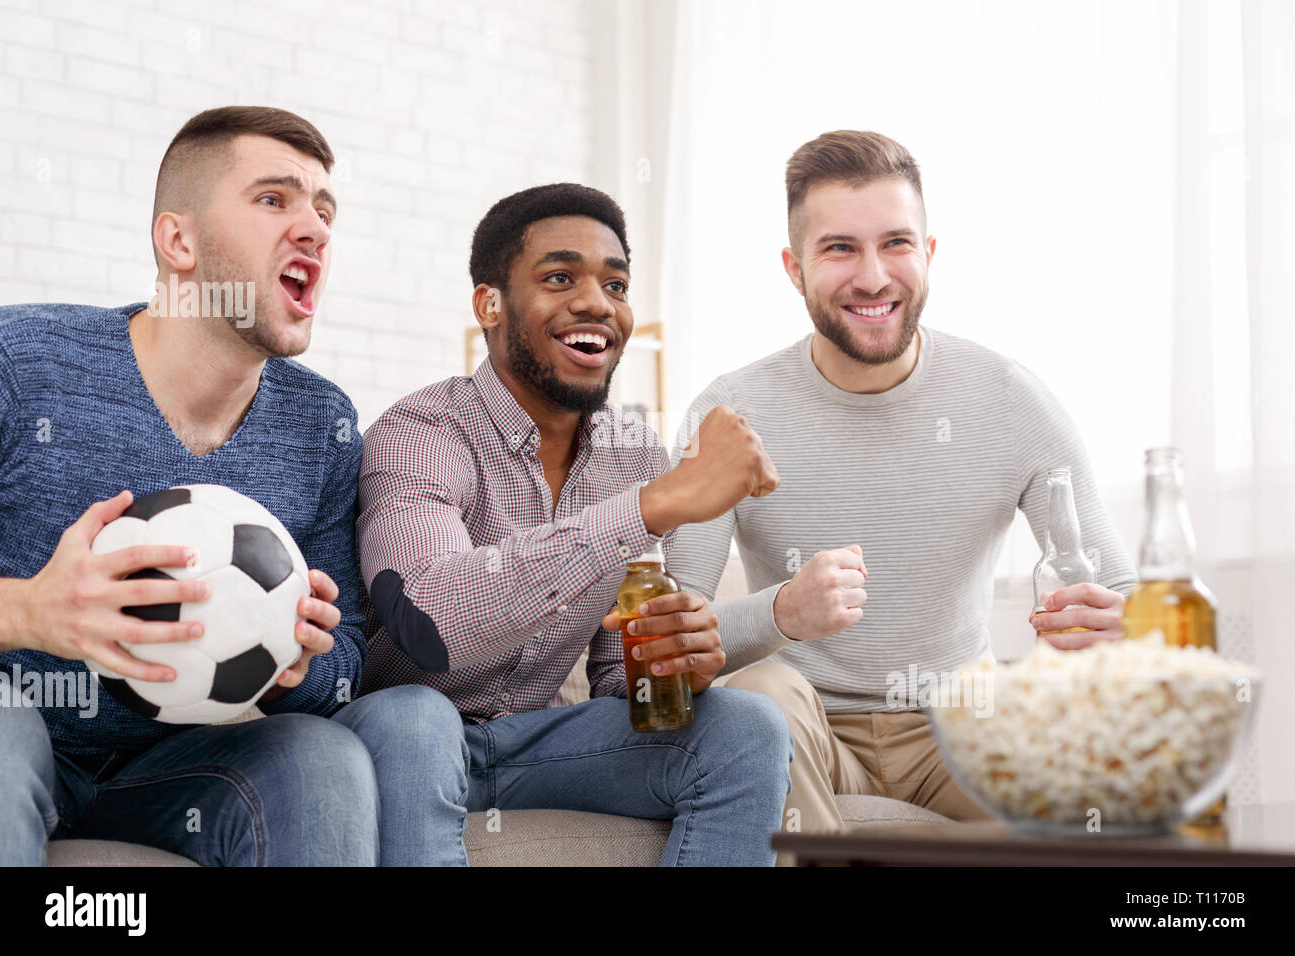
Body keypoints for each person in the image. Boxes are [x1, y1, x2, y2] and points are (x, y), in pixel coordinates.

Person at [663, 130, 1138, 861]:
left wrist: (1117, 623)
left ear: (929, 254)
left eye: (896, 243)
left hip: (965, 724)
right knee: (758, 701)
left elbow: (1120, 589)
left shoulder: (1008, 398)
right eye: (839, 249)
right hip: (803, 721)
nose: (874, 276)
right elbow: (665, 649)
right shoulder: (728, 415)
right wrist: (781, 613)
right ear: (794, 269)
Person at [0, 106, 445, 867]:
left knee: (318, 758)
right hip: (16, 728)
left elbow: (344, 657)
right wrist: (29, 609)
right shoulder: (19, 362)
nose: (314, 228)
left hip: (178, 769)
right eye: (275, 200)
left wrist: (299, 664)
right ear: (179, 241)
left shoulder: (323, 424)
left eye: (323, 209)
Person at [355, 183, 793, 866]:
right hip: (403, 740)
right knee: (416, 718)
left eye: (615, 284)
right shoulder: (421, 433)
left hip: (542, 746)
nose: (596, 302)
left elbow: (621, 679)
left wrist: (677, 662)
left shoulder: (634, 456)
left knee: (748, 725)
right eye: (560, 277)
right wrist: (647, 507)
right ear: (489, 305)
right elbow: (428, 622)